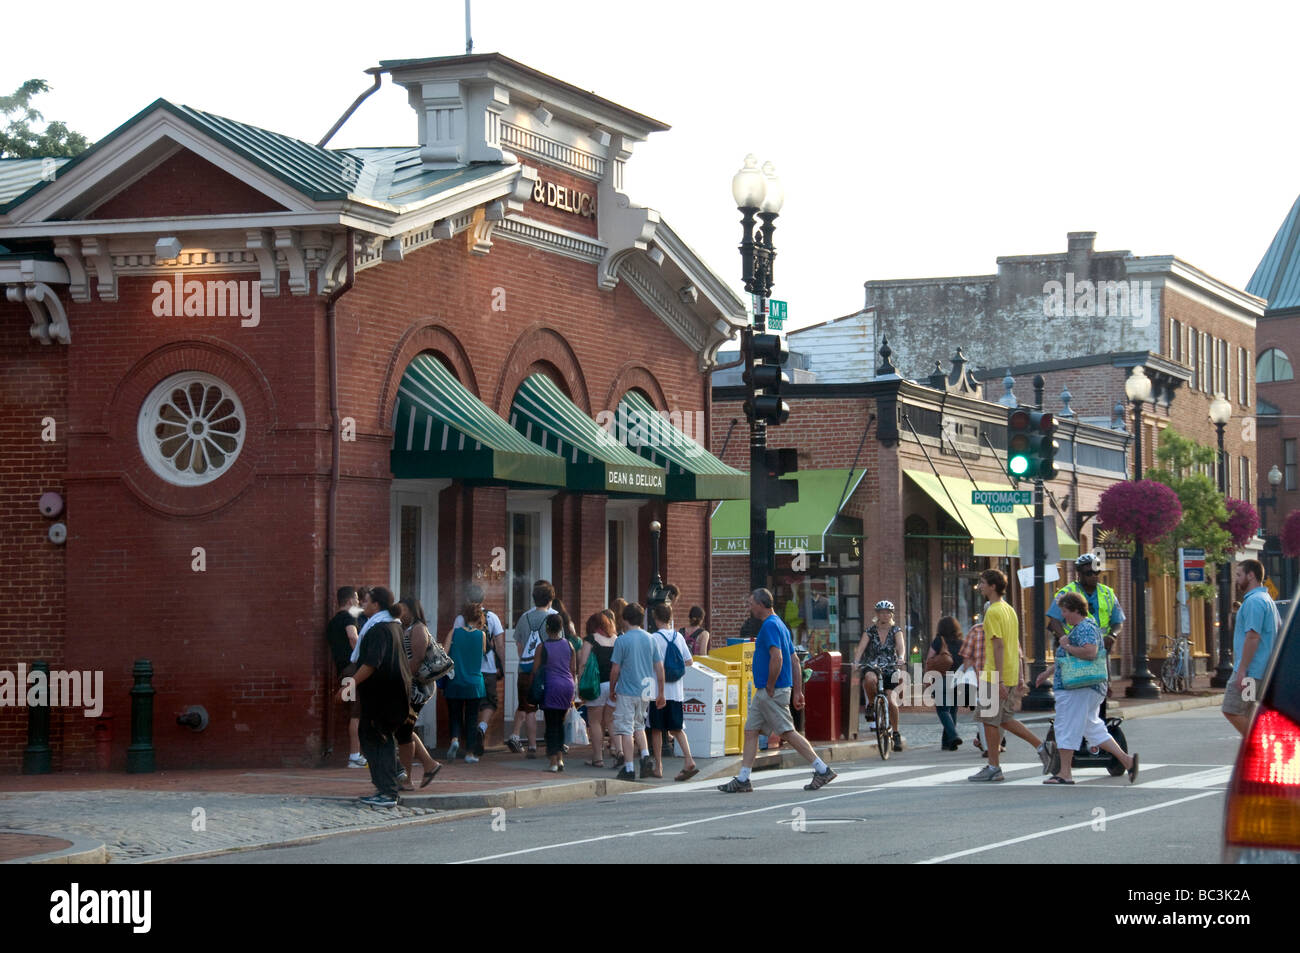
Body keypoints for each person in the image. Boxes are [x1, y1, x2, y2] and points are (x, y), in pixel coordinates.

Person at [718, 589, 837, 793]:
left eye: (751, 603)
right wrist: (798, 690)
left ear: (762, 604)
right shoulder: (780, 624)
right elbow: (795, 659)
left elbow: (778, 658)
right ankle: (744, 778)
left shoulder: (770, 626)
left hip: (771, 690)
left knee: (787, 732)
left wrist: (771, 684)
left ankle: (822, 769)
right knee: (750, 730)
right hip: (769, 690)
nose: (749, 608)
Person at [1041, 591, 1138, 784]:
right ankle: (1127, 761)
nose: (1063, 616)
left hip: (1078, 688)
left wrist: (1066, 646)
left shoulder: (1084, 628)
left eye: (1065, 611)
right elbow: (1068, 658)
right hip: (1086, 688)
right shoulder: (1083, 627)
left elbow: (1090, 653)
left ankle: (1065, 773)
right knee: (1092, 728)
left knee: (1066, 725)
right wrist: (1047, 673)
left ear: (1075, 610)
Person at [968, 569, 1050, 782]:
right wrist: (1019, 676)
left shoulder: (993, 612)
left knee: (989, 720)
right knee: (1003, 719)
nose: (980, 586)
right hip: (1010, 671)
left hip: (995, 674)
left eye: (983, 582)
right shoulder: (1009, 610)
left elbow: (999, 646)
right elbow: (1016, 644)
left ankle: (994, 767)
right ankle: (1042, 747)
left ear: (993, 586)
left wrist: (998, 679)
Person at [338, 586, 410, 807]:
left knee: (377, 739)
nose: (362, 605)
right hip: (390, 694)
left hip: (383, 696)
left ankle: (387, 791)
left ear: (377, 605)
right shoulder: (392, 626)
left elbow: (371, 664)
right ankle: (391, 777)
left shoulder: (379, 629)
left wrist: (347, 686)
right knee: (377, 737)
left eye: (366, 601)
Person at [1047, 553, 1125, 719]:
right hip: (1073, 652)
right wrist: (1064, 640)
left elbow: (1118, 621)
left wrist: (1112, 635)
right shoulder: (1067, 592)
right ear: (1079, 574)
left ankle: (1098, 726)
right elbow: (1054, 620)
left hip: (1099, 651)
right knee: (1074, 691)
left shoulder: (1108, 593)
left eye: (1097, 572)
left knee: (1099, 689)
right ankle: (1076, 730)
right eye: (1089, 573)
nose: (1094, 576)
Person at [1223, 559, 1281, 736]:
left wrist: (1242, 670)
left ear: (1251, 575)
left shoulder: (1254, 602)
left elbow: (1253, 636)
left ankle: (1260, 745)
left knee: (1232, 709)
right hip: (1262, 670)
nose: (1237, 580)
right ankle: (1263, 746)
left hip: (1251, 673)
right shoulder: (1267, 600)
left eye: (1239, 575)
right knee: (1250, 713)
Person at [608, 602, 664, 781]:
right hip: (646, 688)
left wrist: (612, 689)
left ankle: (629, 767)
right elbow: (659, 667)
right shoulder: (651, 639)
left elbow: (615, 669)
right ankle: (646, 756)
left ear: (624, 619)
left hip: (627, 689)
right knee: (639, 725)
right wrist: (661, 691)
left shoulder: (622, 640)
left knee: (626, 729)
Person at [452, 583, 505, 759]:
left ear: (467, 598)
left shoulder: (460, 619)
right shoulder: (492, 617)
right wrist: (502, 665)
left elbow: (455, 644)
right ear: (483, 599)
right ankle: (481, 729)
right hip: (488, 668)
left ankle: (464, 742)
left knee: (465, 708)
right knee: (489, 702)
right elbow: (499, 644)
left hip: (465, 669)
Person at [649, 601, 700, 781]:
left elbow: (650, 664)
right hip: (676, 691)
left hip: (657, 691)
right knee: (677, 728)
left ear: (656, 619)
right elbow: (689, 661)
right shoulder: (678, 637)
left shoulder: (654, 638)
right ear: (670, 618)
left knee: (656, 729)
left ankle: (658, 766)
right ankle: (689, 759)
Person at [395, 597, 441, 787]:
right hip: (410, 686)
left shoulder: (418, 629)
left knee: (404, 731)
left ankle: (406, 780)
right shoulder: (407, 628)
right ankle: (430, 765)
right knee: (403, 728)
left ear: (411, 610)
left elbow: (418, 659)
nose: (400, 614)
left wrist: (404, 680)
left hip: (417, 688)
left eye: (402, 610)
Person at [509, 580, 557, 757]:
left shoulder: (524, 617)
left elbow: (519, 646)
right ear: (550, 599)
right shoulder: (554, 617)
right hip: (548, 670)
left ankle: (531, 747)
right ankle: (551, 743)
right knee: (550, 708)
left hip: (525, 670)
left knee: (528, 708)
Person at [854, 600, 906, 751]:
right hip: (873, 665)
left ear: (891, 614)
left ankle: (895, 733)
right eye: (881, 612)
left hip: (890, 666)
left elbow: (901, 647)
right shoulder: (870, 631)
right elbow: (861, 648)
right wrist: (856, 661)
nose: (884, 615)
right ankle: (871, 704)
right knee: (870, 679)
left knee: (891, 701)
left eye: (887, 612)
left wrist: (901, 657)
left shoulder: (896, 630)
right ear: (877, 614)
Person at [325, 586, 366, 768]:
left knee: (352, 712)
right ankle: (355, 756)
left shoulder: (332, 622)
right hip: (353, 669)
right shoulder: (348, 618)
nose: (358, 603)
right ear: (350, 601)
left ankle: (356, 754)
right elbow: (352, 636)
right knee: (357, 712)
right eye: (356, 599)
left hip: (342, 670)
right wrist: (363, 656)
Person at [443, 603, 488, 765]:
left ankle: (454, 739)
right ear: (479, 618)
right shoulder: (481, 635)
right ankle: (470, 752)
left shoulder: (454, 632)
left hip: (455, 681)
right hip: (475, 683)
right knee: (472, 718)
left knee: (454, 715)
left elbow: (444, 653)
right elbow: (483, 652)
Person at [536, 614, 577, 772]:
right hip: (567, 686)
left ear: (547, 628)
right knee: (560, 724)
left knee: (551, 724)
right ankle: (560, 758)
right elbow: (573, 670)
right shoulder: (569, 645)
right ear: (561, 628)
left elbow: (536, 669)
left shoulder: (543, 647)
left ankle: (553, 761)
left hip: (551, 687)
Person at [578, 611, 618, 766]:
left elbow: (583, 663)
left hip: (596, 685)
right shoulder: (616, 639)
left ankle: (598, 758)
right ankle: (619, 750)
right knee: (611, 721)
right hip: (613, 685)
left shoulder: (590, 639)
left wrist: (580, 684)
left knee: (594, 722)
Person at [926, 616, 964, 750]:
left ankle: (953, 736)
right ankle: (947, 743)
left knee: (943, 710)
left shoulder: (939, 641)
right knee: (952, 710)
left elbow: (929, 659)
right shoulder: (962, 643)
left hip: (941, 678)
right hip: (958, 678)